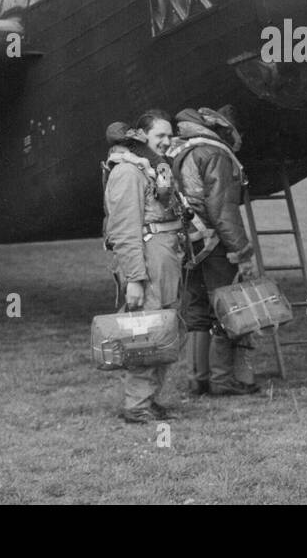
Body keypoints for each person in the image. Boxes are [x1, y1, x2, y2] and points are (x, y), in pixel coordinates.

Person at [102, 110, 185, 424]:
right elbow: (124, 229)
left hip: (165, 259)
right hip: (147, 262)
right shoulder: (128, 172)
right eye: (159, 136)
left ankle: (149, 400)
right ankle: (137, 405)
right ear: (141, 136)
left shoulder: (153, 169)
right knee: (146, 333)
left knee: (166, 330)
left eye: (169, 135)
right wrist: (135, 278)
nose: (165, 141)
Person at [170, 106, 260, 397]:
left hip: (189, 243)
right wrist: (242, 252)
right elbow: (223, 210)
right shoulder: (215, 154)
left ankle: (198, 379)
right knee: (229, 308)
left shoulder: (181, 152)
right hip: (215, 244)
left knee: (196, 310)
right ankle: (223, 380)